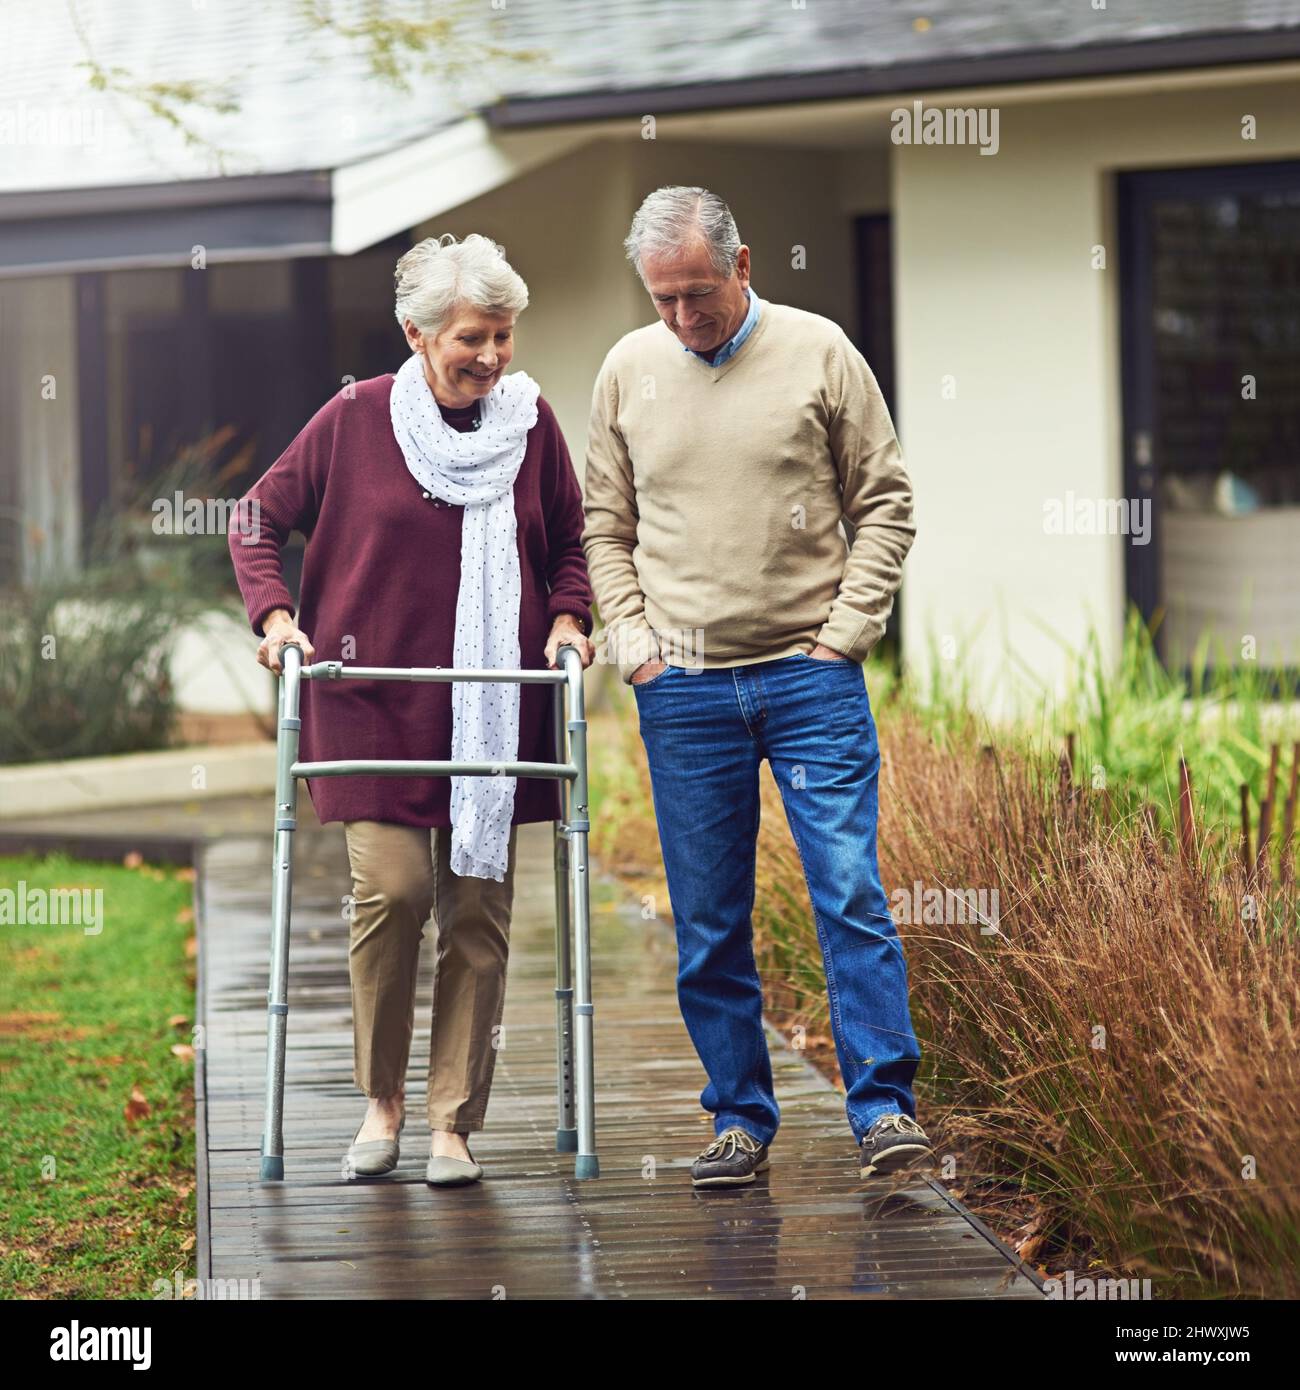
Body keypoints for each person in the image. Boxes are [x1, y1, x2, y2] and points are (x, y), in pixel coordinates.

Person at [581, 186, 934, 1187]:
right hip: (682, 689)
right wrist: (636, 646)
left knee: (849, 890)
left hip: (808, 678)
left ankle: (882, 1109)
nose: (684, 318)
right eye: (663, 300)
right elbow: (604, 526)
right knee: (706, 919)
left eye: (699, 292)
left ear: (742, 267)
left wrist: (844, 637)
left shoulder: (821, 352)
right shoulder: (625, 370)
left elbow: (886, 502)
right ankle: (739, 1115)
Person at [228, 233, 595, 1186]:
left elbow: (571, 545)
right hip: (374, 707)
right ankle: (380, 1104)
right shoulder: (354, 420)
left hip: (493, 711)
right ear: (417, 334)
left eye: (505, 335)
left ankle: (451, 1125)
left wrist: (567, 619)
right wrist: (275, 616)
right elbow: (257, 517)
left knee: (477, 910)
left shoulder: (529, 423)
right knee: (392, 895)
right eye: (473, 336)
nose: (492, 356)